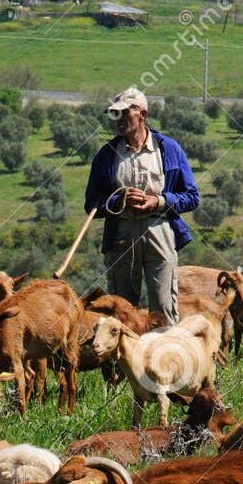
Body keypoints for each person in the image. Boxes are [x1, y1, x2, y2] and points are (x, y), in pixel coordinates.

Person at [84, 87, 200, 324]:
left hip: (160, 229)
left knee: (164, 307)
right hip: (121, 236)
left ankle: (164, 359)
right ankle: (125, 362)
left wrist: (159, 201)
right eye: (115, 115)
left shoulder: (169, 149)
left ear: (142, 114)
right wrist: (118, 201)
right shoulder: (106, 155)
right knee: (122, 311)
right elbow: (91, 203)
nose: (119, 120)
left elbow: (191, 196)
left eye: (125, 114)